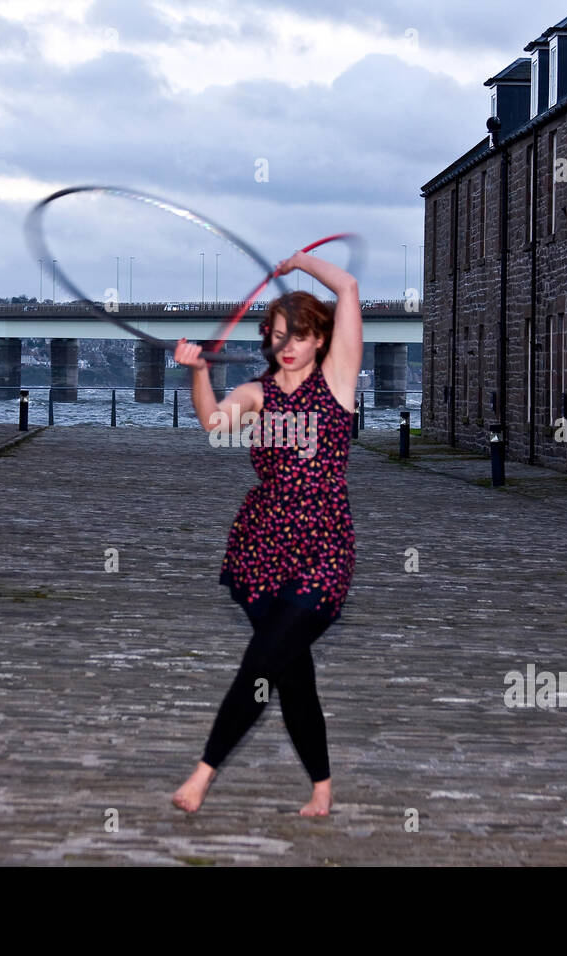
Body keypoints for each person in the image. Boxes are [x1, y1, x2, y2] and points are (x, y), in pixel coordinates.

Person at [170, 249, 361, 815]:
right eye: (280, 334)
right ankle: (322, 788)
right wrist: (198, 372)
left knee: (262, 661)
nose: (291, 343)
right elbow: (212, 423)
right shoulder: (256, 394)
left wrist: (301, 262)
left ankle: (202, 775)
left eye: (301, 333)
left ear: (320, 339)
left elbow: (347, 286)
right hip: (261, 546)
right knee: (289, 670)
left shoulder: (338, 381)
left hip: (324, 547)